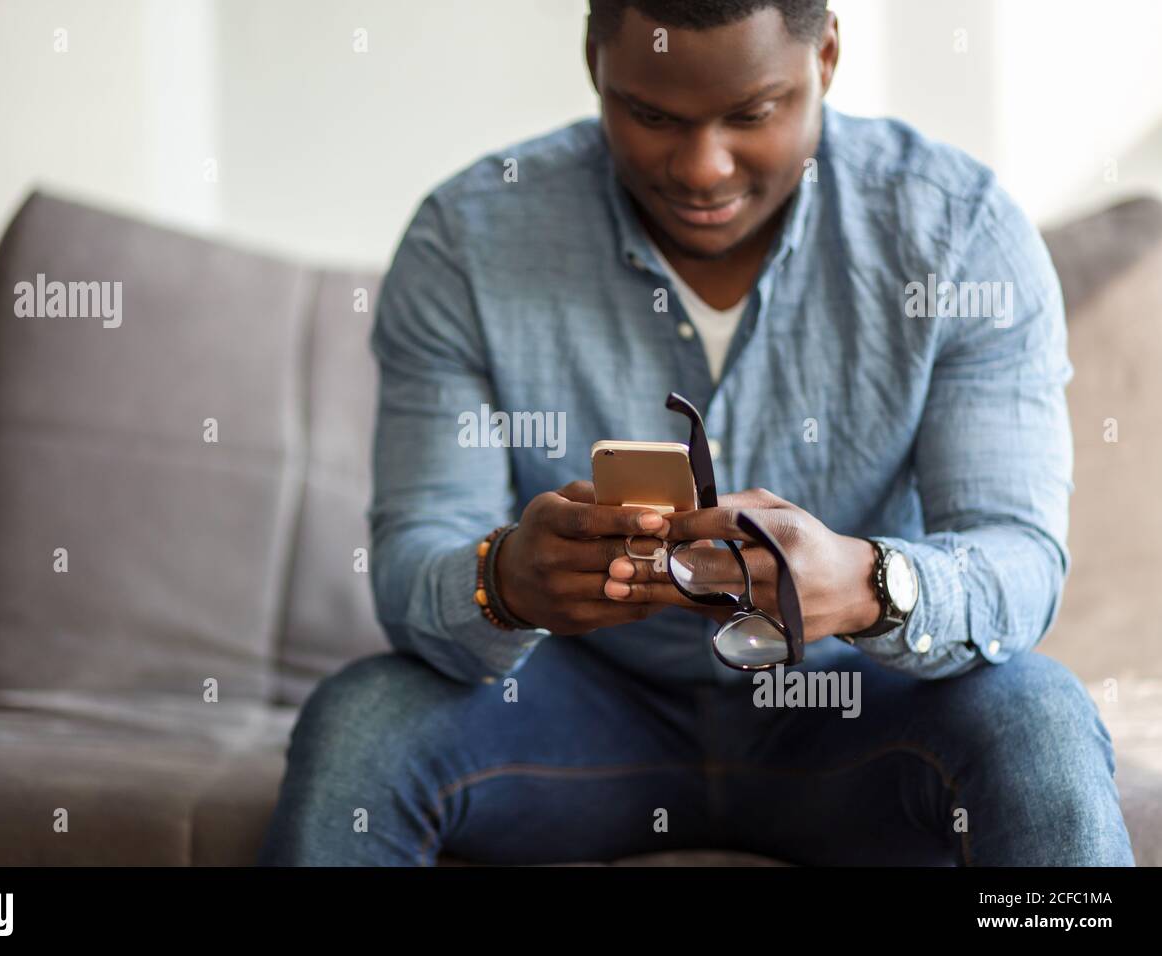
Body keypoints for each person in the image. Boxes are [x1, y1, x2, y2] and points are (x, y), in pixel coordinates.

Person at [259, 0, 1133, 866]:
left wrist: (873, 585)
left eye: (752, 114)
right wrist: (504, 581)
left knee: (1039, 713)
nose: (703, 169)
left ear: (825, 57)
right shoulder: (466, 243)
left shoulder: (960, 234)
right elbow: (417, 552)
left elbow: (1016, 557)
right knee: (362, 722)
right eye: (651, 115)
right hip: (576, 709)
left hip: (856, 709)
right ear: (594, 62)